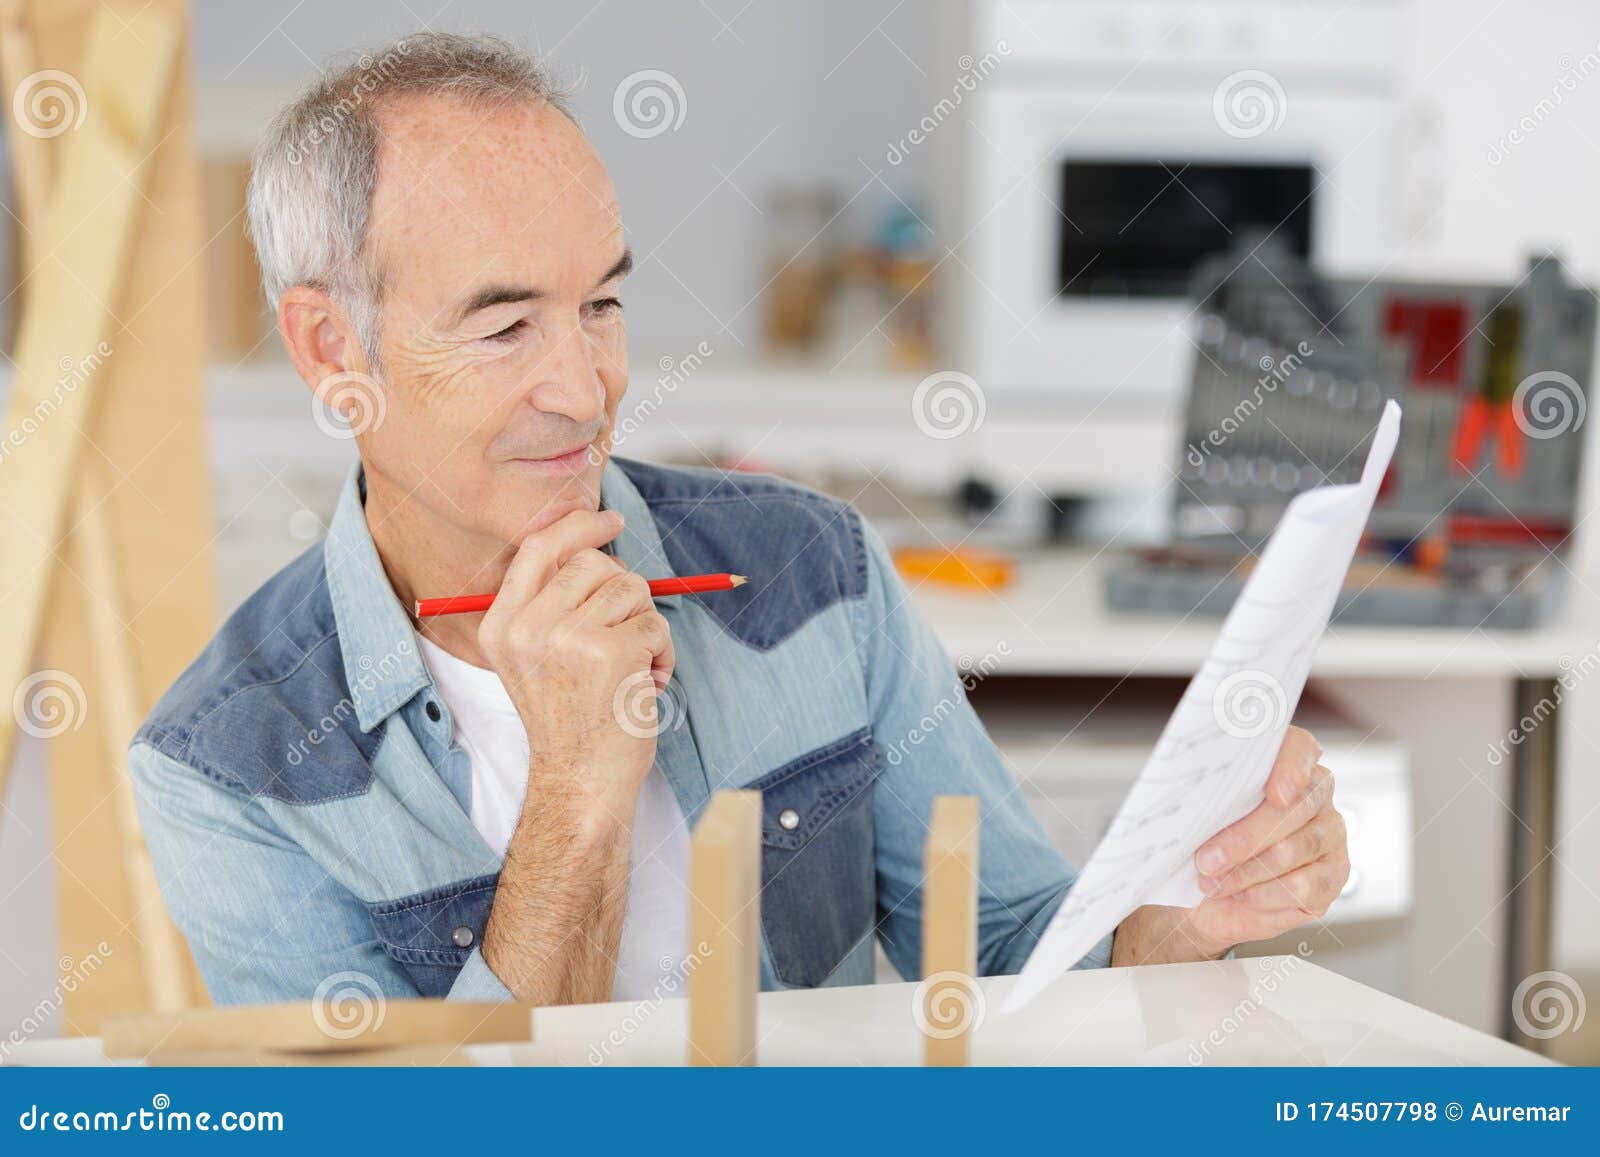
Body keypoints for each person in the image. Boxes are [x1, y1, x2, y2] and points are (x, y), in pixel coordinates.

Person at [130, 33, 1348, 1008]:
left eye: (600, 304)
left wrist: (1179, 926)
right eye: (505, 326)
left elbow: (1007, 957)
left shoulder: (816, 573)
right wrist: (576, 785)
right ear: (333, 347)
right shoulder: (225, 769)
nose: (585, 385)